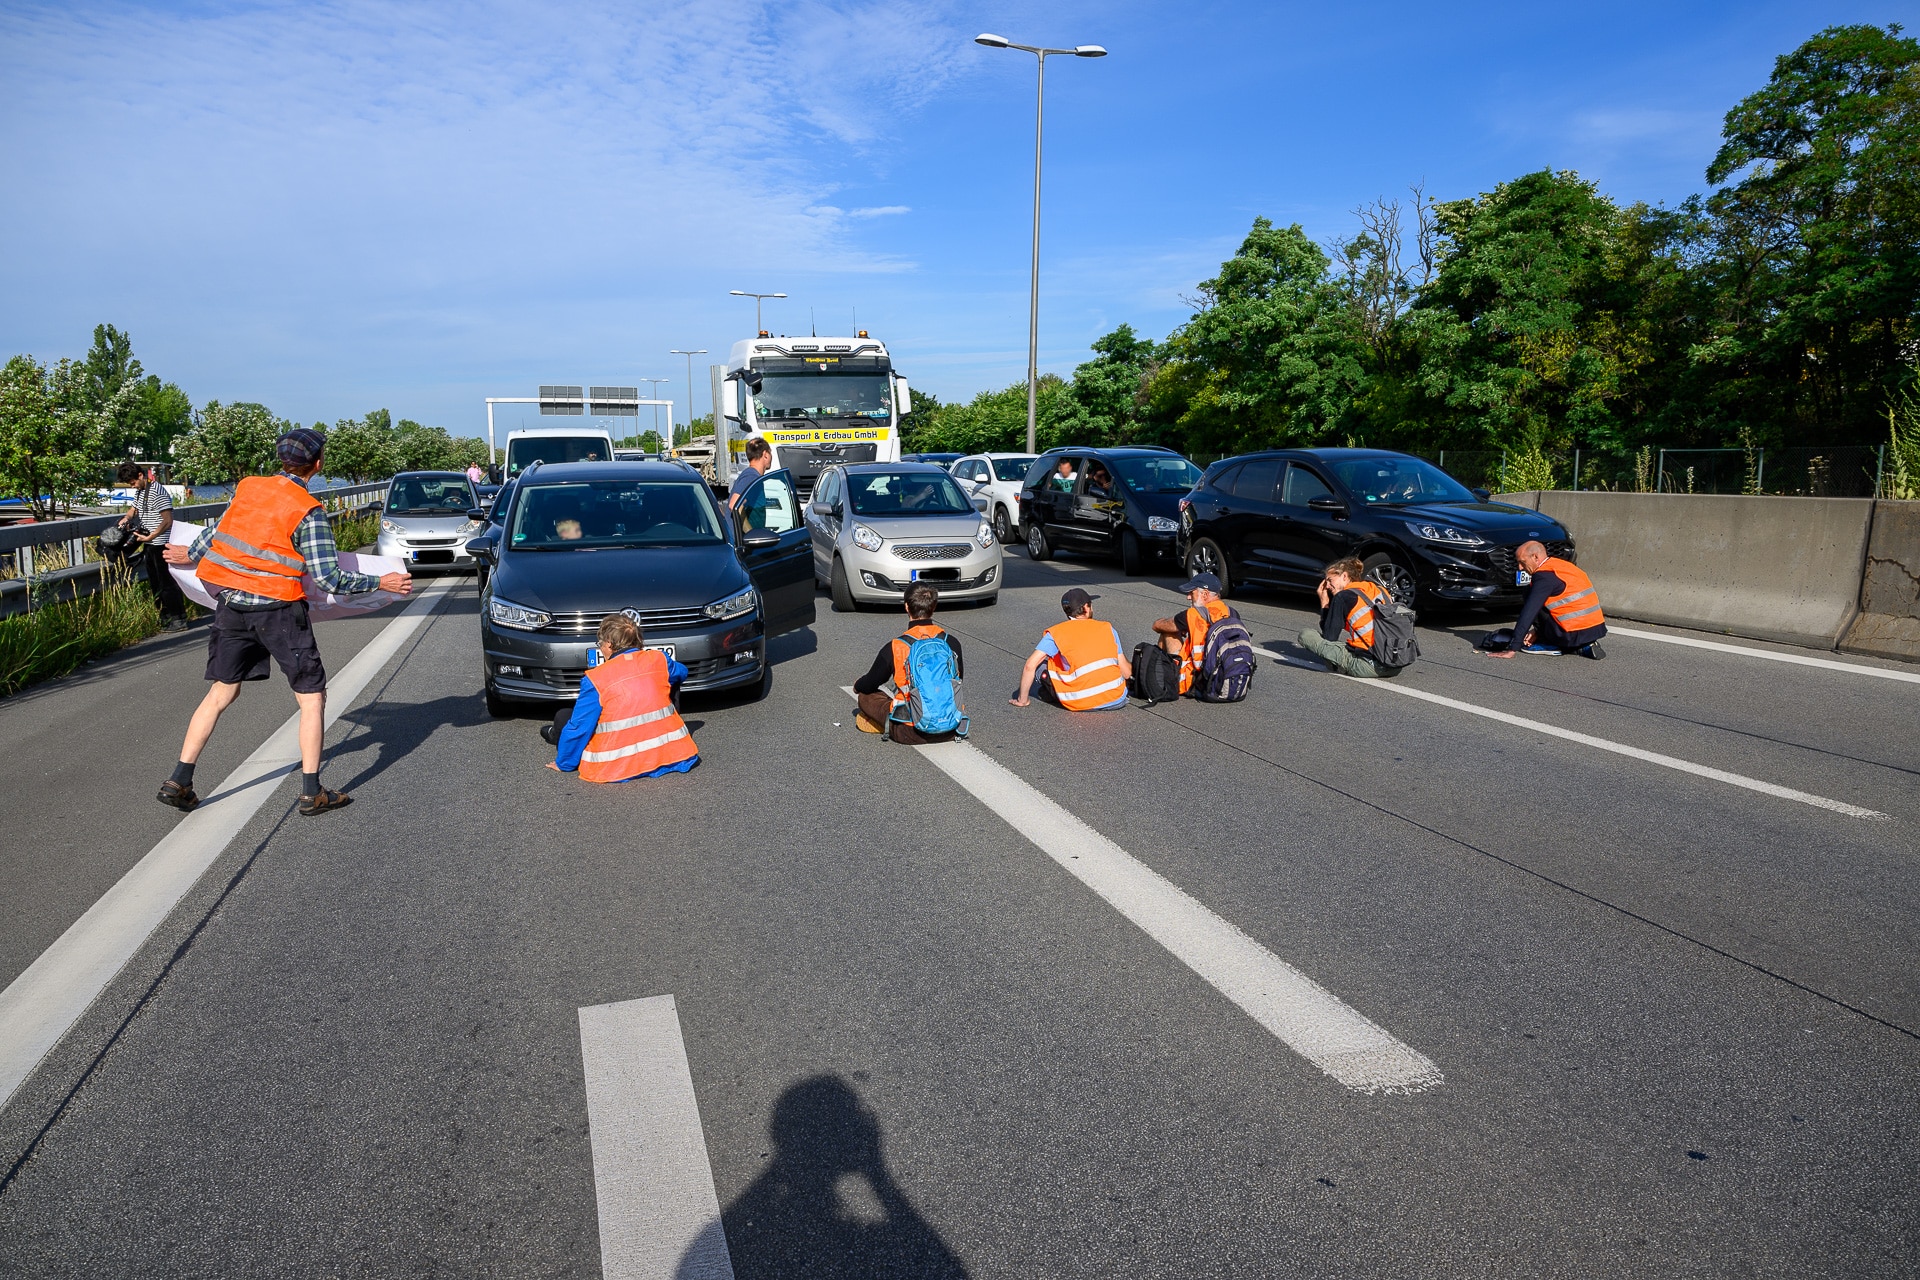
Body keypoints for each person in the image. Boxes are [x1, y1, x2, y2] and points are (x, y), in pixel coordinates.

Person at [157, 428, 412, 816]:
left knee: (221, 693)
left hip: (231, 605)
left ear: (281, 459)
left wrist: (188, 554)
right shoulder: (308, 510)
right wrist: (383, 582)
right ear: (318, 464)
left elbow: (217, 533)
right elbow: (329, 579)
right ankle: (312, 792)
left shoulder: (248, 488)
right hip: (278, 611)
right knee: (311, 698)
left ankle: (179, 780)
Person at [546, 612, 699, 780]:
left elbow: (580, 726)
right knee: (671, 678)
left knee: (564, 716)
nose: (601, 648)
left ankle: (554, 734)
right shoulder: (658, 659)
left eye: (600, 644)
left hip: (614, 766)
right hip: (672, 756)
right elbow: (682, 672)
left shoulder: (595, 679)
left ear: (609, 644)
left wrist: (564, 764)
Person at [853, 583, 963, 743]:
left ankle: (887, 722)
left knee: (866, 697)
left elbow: (870, 683)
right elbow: (958, 680)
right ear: (934, 607)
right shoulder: (951, 642)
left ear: (906, 607)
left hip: (909, 731)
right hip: (951, 727)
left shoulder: (896, 646)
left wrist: (858, 685)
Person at [1011, 587, 1131, 710]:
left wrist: (1022, 700)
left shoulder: (1056, 632)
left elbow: (1029, 665)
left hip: (1079, 702)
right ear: (1086, 608)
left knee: (1041, 665)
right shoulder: (1108, 628)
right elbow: (1126, 672)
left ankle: (1056, 693)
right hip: (1116, 699)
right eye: (1090, 605)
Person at [1488, 540, 1607, 660]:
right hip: (1594, 630)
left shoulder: (1544, 576)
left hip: (1571, 634)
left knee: (1529, 592)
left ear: (1535, 557)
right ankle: (1583, 646)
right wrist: (1536, 631)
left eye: (1523, 562)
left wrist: (1513, 648)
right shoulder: (1562, 566)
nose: (1520, 567)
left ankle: (1550, 644)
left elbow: (1529, 612)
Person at [115, 461, 187, 631]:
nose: (132, 486)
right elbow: (134, 509)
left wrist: (152, 535)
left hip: (160, 543)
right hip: (148, 543)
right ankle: (165, 618)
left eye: (133, 482)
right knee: (155, 583)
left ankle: (178, 618)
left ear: (141, 475)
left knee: (166, 583)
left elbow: (167, 520)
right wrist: (126, 518)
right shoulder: (141, 491)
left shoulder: (157, 491)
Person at [1300, 557, 1397, 678]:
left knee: (1306, 635)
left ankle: (1340, 665)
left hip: (1369, 666)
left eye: (1330, 580)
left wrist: (1324, 601)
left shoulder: (1343, 597)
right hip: (1395, 663)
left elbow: (1329, 639)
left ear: (1344, 576)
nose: (1327, 586)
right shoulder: (1380, 590)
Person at [1152, 571, 1233, 696]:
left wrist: (1173, 627)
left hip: (1197, 680)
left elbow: (1157, 625)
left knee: (1168, 633)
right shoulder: (1232, 613)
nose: (1188, 597)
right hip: (1227, 677)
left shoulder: (1193, 614)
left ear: (1205, 594)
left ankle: (1156, 678)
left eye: (1192, 593)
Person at [729, 438, 774, 511]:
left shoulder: (752, 475)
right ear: (765, 454)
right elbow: (733, 504)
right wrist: (746, 519)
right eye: (770, 453)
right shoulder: (751, 476)